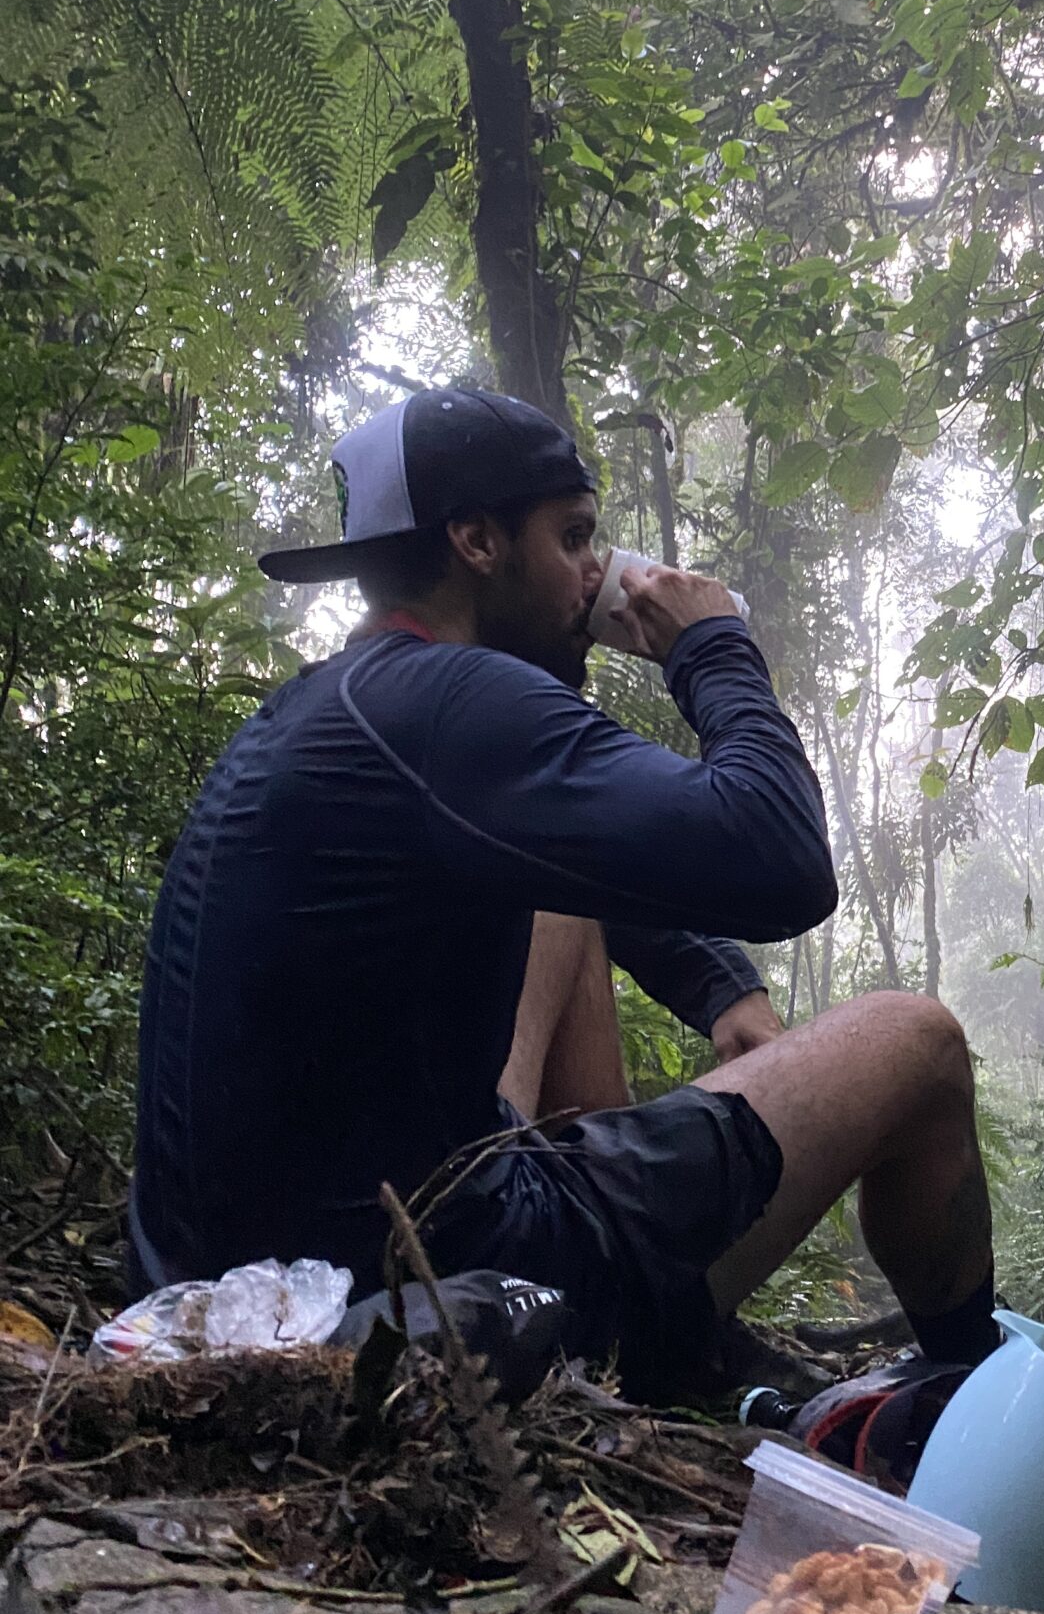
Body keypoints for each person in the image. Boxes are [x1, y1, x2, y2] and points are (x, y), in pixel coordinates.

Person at [131, 386, 998, 1396]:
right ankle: (971, 1402)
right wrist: (711, 644)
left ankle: (673, 1328)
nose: (596, 574)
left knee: (554, 895)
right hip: (431, 1307)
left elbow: (579, 871)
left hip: (241, 1292)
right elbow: (782, 858)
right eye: (574, 536)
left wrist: (720, 984)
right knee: (919, 1044)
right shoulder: (455, 700)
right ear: (476, 541)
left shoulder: (332, 708)